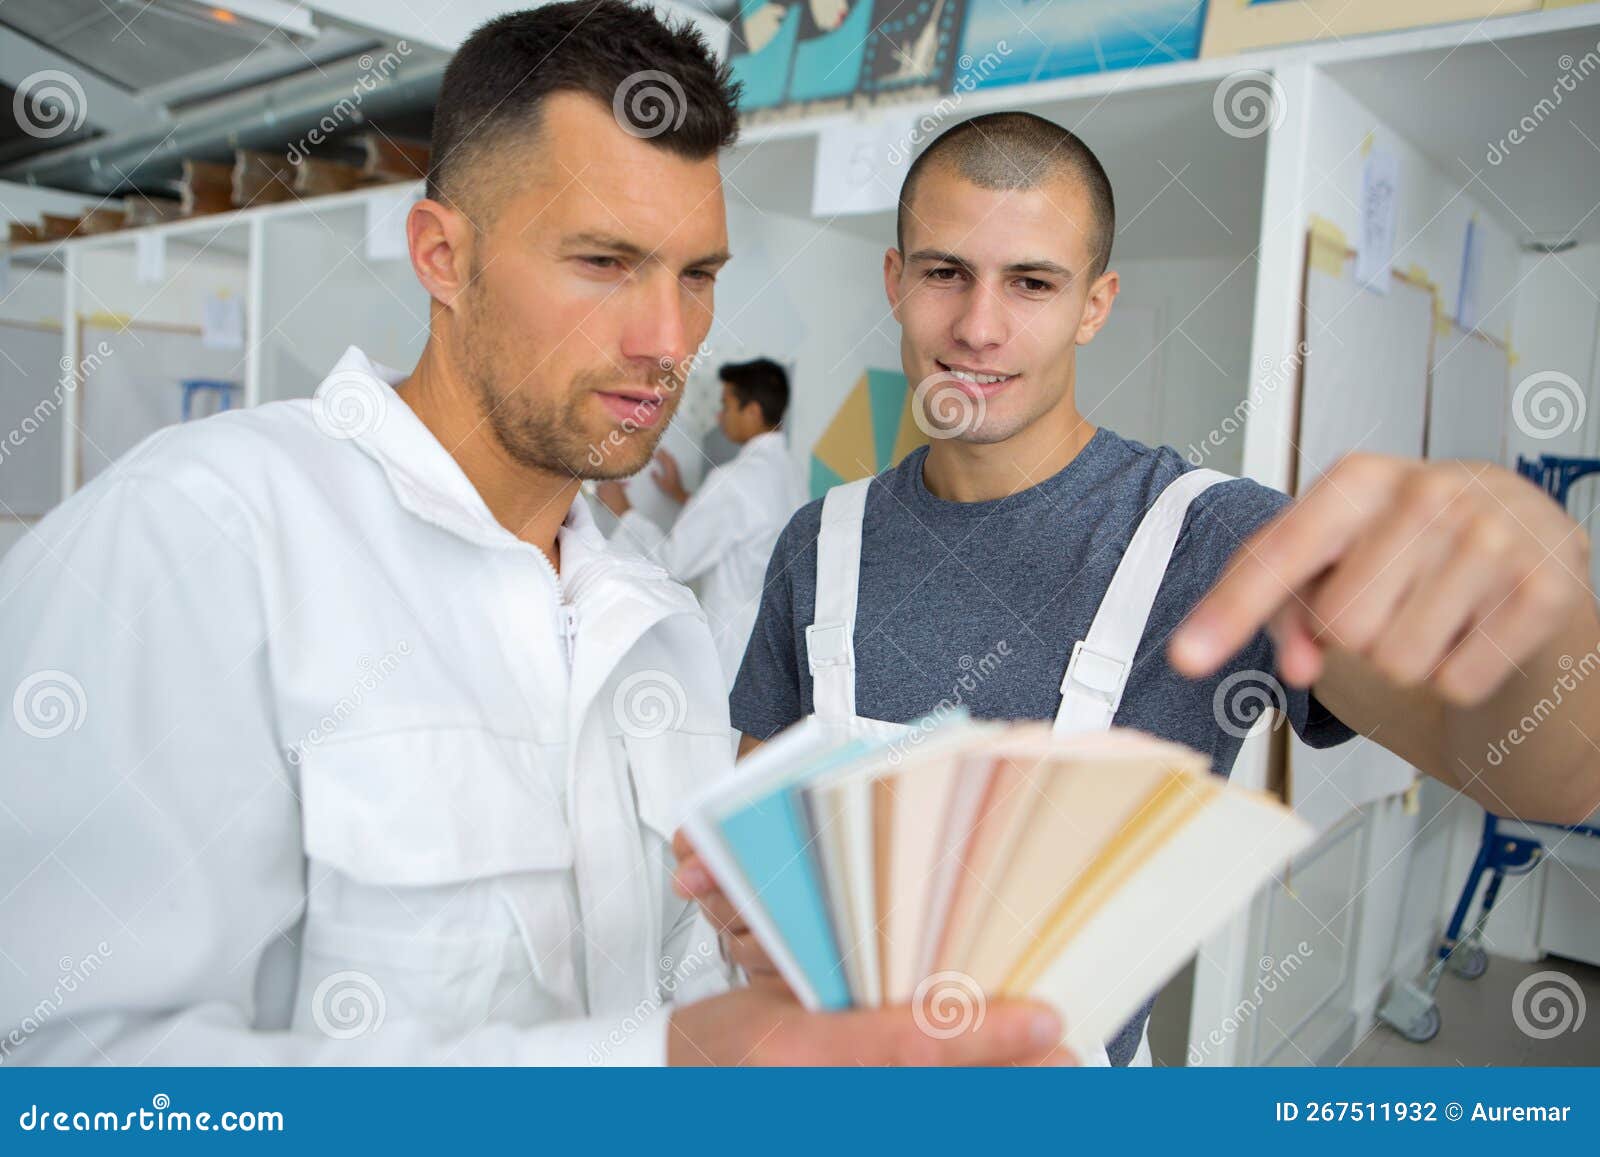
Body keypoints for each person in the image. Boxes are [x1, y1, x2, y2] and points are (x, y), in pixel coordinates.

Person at [0, 4, 1066, 1068]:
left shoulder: (656, 622)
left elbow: (661, 997)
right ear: (442, 254)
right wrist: (668, 1061)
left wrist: (780, 987)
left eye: (697, 276)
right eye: (604, 261)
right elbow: (70, 1088)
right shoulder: (196, 541)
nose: (668, 342)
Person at [676, 111, 1600, 1065]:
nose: (978, 326)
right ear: (896, 281)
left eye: (1032, 282)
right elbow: (759, 840)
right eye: (945, 271)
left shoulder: (1220, 539)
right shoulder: (818, 541)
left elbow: (1557, 776)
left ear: (1096, 304)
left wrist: (1548, 615)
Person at [597, 358, 803, 686]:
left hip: (730, 652)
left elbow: (672, 563)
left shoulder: (734, 480)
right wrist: (682, 495)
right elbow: (747, 527)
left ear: (752, 411)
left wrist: (623, 511)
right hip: (773, 654)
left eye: (726, 405)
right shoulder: (790, 477)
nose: (719, 416)